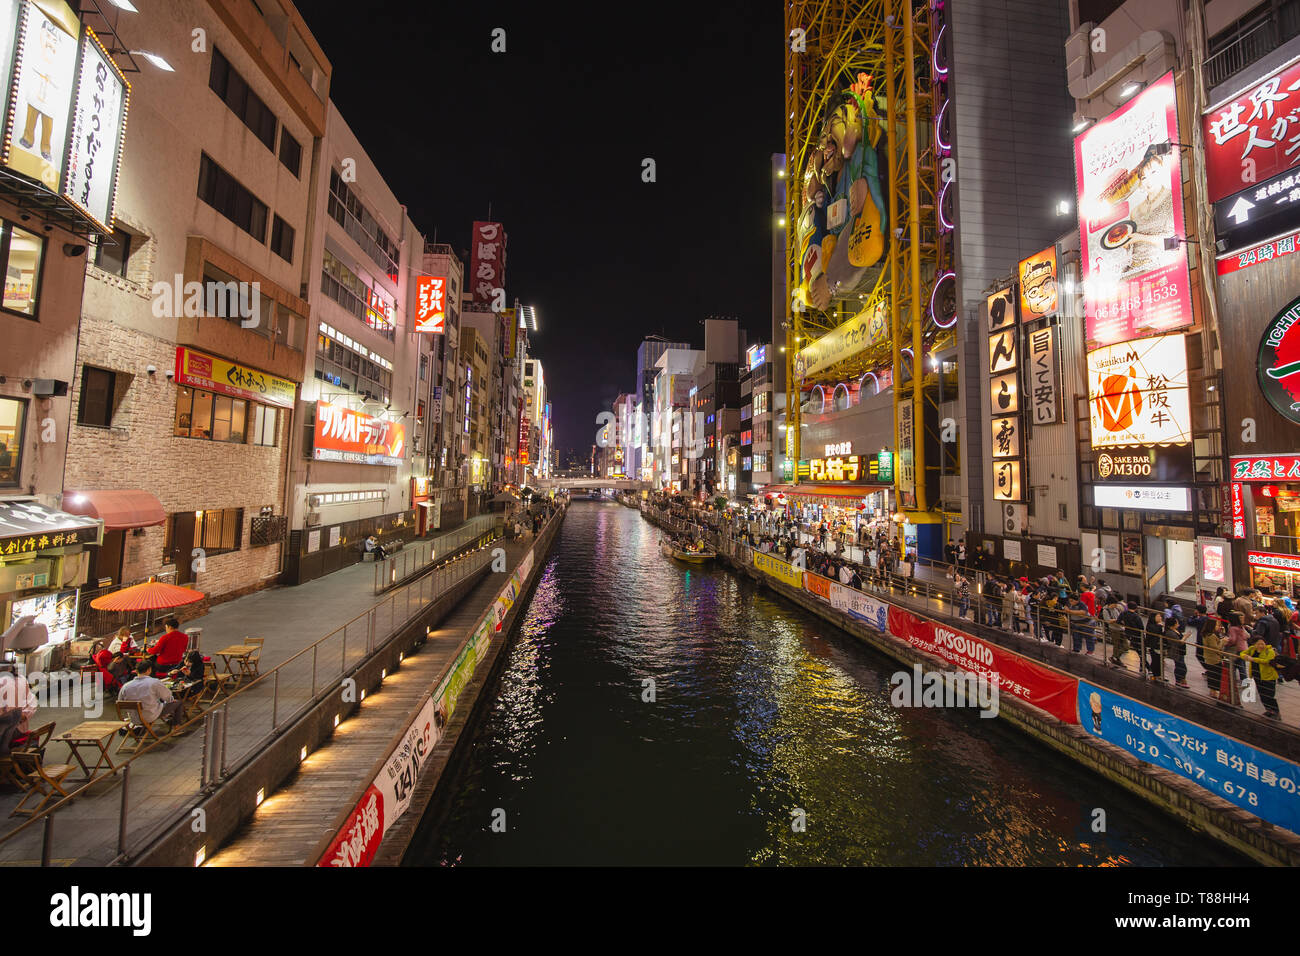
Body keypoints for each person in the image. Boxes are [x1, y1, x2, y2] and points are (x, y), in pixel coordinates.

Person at [117, 660, 184, 729]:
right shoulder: (154, 682)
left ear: (136, 671)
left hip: (133, 718)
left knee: (157, 701)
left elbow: (120, 703)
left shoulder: (126, 686)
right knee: (178, 702)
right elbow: (168, 697)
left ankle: (167, 718)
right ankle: (176, 727)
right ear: (149, 670)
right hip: (150, 715)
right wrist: (170, 701)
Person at [0, 664, 37, 754]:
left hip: (12, 730)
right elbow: (32, 701)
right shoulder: (21, 680)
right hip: (17, 726)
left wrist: (23, 715)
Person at [1242, 637, 1281, 719]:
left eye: (1262, 643)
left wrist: (1253, 659)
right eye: (1258, 644)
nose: (1260, 646)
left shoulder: (1269, 651)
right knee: (1262, 694)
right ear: (1254, 644)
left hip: (1269, 676)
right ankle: (1268, 710)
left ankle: (1276, 711)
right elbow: (1242, 653)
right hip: (1257, 676)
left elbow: (1267, 661)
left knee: (1269, 695)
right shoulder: (1252, 649)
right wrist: (1245, 656)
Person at [1200, 617, 1224, 696]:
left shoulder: (1205, 634)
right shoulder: (1211, 636)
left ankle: (1212, 691)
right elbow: (1216, 648)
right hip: (1214, 659)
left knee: (1211, 675)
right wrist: (1223, 642)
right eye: (1217, 625)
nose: (1218, 626)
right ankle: (1214, 692)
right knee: (1215, 676)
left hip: (1208, 658)